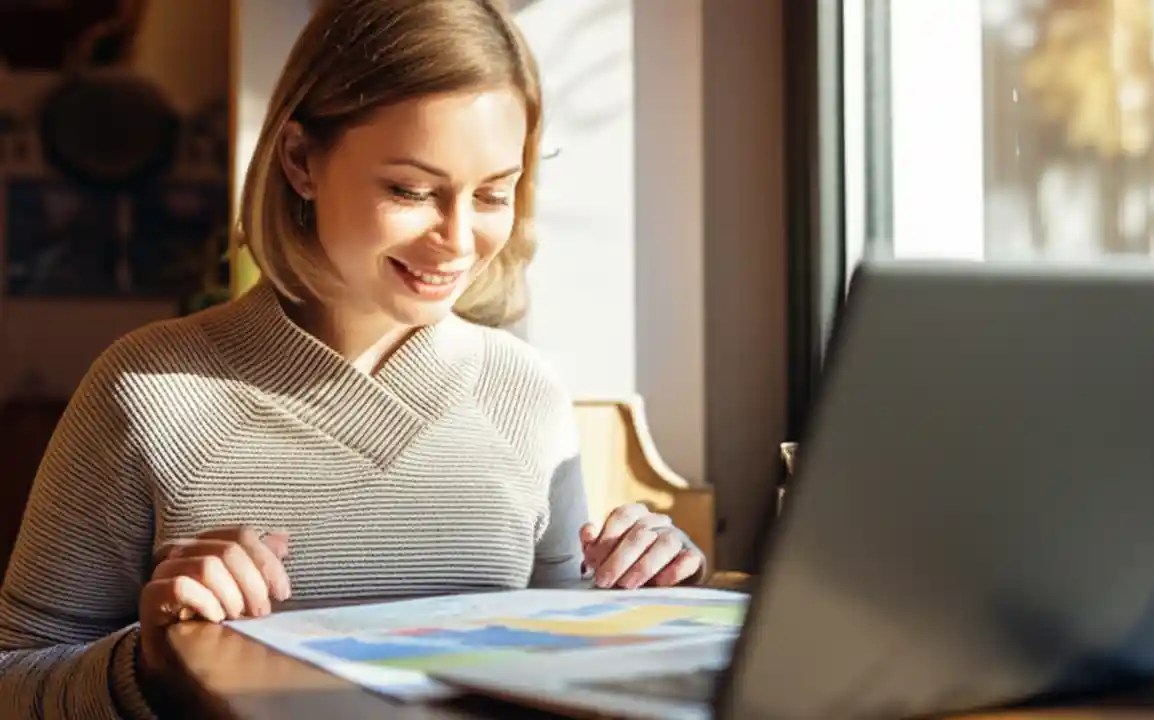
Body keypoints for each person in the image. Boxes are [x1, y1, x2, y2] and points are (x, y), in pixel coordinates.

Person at [0, 1, 707, 717]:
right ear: (301, 160)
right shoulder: (147, 390)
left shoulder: (525, 394)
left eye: (494, 193)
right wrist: (149, 664)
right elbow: (13, 679)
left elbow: (558, 654)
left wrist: (645, 592)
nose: (457, 241)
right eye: (410, 190)